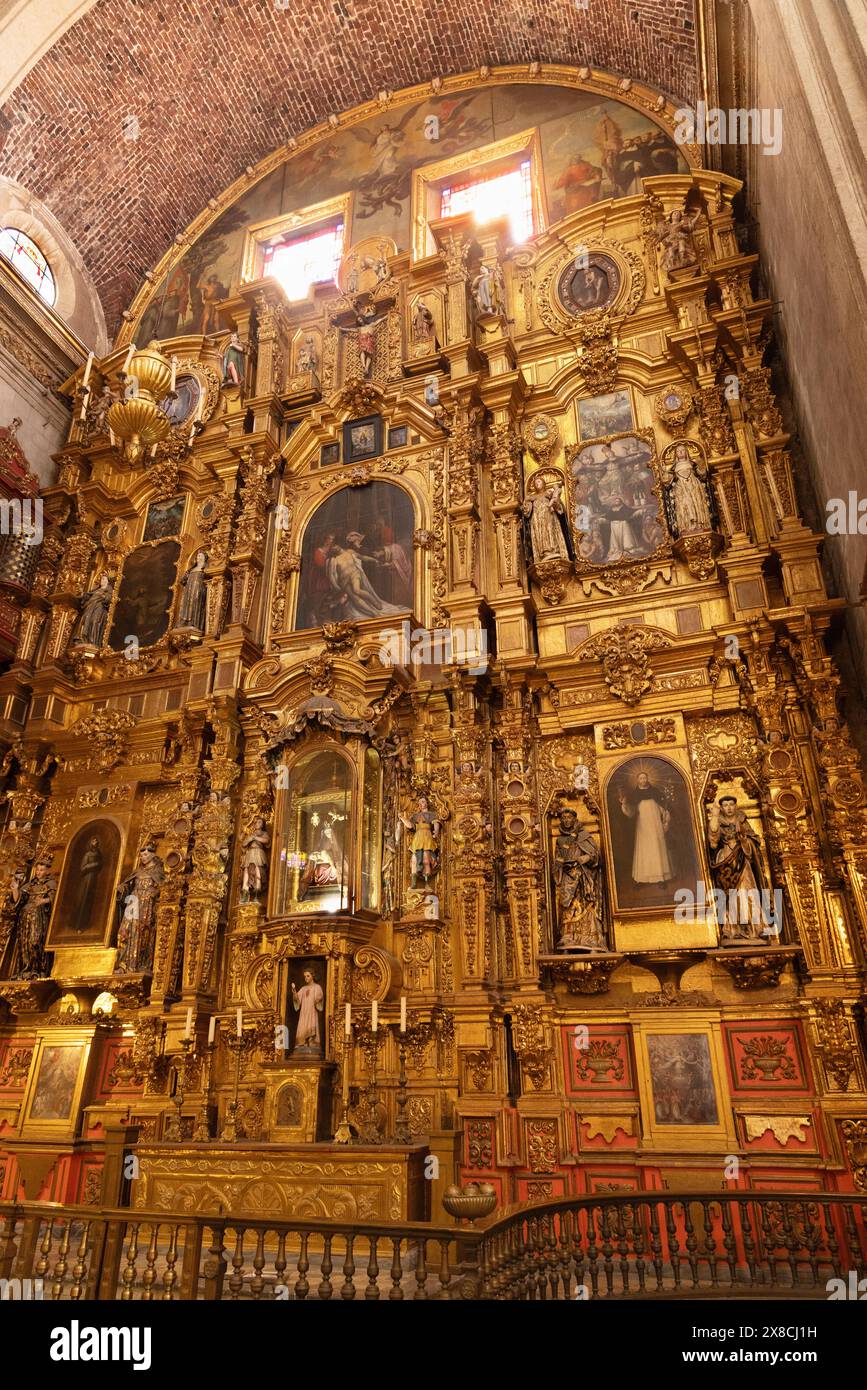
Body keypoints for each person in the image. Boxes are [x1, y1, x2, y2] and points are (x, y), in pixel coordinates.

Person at [707, 796, 774, 941]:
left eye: (731, 804)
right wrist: (715, 816)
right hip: (726, 860)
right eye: (725, 805)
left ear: (736, 806)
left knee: (749, 891)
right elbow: (713, 842)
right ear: (722, 808)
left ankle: (755, 927)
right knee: (731, 894)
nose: (729, 807)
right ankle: (733, 929)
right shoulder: (717, 822)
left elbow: (754, 840)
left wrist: (744, 838)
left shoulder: (742, 821)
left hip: (742, 860)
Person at [553, 810, 606, 951]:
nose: (566, 820)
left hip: (584, 875)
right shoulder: (560, 840)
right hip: (568, 875)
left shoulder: (584, 836)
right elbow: (558, 859)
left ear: (574, 819)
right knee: (567, 905)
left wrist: (586, 858)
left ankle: (590, 937)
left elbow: (595, 855)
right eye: (563, 818)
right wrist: (560, 865)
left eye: (569, 817)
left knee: (587, 903)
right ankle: (568, 936)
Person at [326, 533, 403, 621]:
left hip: (354, 574)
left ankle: (375, 602)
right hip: (344, 582)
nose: (333, 548)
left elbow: (363, 557)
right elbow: (331, 574)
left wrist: (374, 560)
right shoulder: (334, 560)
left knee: (357, 590)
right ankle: (372, 612)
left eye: (334, 545)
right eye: (332, 547)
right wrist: (336, 586)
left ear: (339, 545)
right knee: (355, 599)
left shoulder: (350, 552)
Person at [619, 771, 673, 887]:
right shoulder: (634, 795)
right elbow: (631, 812)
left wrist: (665, 820)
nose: (643, 780)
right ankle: (642, 879)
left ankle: (660, 878)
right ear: (637, 780)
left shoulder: (655, 792)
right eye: (641, 778)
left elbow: (663, 808)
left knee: (658, 847)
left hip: (655, 824)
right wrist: (624, 804)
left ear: (647, 779)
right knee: (644, 848)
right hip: (643, 825)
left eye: (644, 778)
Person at [115, 844, 164, 973]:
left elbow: (163, 887)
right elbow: (128, 885)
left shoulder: (158, 871)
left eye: (146, 855)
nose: (143, 857)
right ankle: (123, 964)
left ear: (153, 855)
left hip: (147, 905)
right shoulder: (138, 871)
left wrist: (156, 892)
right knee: (124, 931)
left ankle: (140, 965)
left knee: (143, 933)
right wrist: (122, 888)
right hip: (134, 902)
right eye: (141, 855)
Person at [9, 857, 56, 979]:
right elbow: (19, 900)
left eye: (41, 870)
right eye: (37, 870)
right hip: (25, 920)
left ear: (46, 871)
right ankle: (25, 969)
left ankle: (38, 969)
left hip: (39, 918)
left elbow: (54, 899)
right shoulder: (29, 885)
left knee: (35, 941)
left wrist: (43, 901)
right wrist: (15, 890)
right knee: (24, 944)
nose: (39, 872)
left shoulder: (50, 884)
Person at [665, 443, 712, 535]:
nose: (680, 452)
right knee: (685, 505)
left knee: (697, 503)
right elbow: (667, 482)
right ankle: (688, 526)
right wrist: (665, 475)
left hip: (694, 486)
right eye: (678, 451)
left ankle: (700, 524)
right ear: (676, 454)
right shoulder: (673, 468)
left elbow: (703, 475)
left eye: (682, 450)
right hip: (681, 489)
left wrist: (701, 465)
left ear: (686, 452)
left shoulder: (693, 464)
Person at [522, 474, 570, 563]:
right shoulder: (532, 497)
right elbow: (526, 512)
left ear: (543, 483)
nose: (537, 484)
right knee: (540, 534)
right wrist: (527, 503)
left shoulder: (548, 493)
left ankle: (554, 550)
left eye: (539, 481)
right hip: (537, 520)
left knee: (550, 531)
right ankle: (544, 552)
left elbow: (559, 507)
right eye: (535, 483)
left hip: (549, 516)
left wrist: (555, 503)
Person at [399, 796, 440, 887]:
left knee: (426, 860)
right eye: (419, 803)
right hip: (417, 838)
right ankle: (413, 883)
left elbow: (436, 824)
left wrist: (436, 833)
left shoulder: (432, 814)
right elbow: (410, 826)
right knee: (414, 859)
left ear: (427, 803)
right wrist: (402, 818)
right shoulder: (415, 816)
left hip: (427, 837)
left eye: (423, 802)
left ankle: (427, 884)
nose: (421, 804)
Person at [71, 836, 103, 933]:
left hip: (94, 880)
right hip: (87, 880)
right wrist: (94, 865)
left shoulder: (99, 854)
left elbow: (101, 865)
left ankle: (85, 923)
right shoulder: (87, 855)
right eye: (93, 841)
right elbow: (83, 868)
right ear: (90, 843)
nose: (95, 842)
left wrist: (98, 864)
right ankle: (78, 925)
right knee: (84, 900)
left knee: (89, 901)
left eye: (96, 841)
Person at [290, 968, 324, 1055]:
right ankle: (303, 1043)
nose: (306, 978)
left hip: (312, 1011)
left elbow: (319, 998)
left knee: (311, 1025)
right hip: (304, 1012)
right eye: (305, 976)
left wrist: (318, 998)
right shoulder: (303, 988)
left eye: (308, 976)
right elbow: (297, 1000)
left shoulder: (317, 987)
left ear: (313, 976)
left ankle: (311, 1043)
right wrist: (294, 992)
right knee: (303, 1026)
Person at [72, 574, 112, 647]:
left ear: (107, 581)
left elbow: (109, 598)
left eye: (104, 579)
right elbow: (88, 596)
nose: (101, 581)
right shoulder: (96, 590)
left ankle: (92, 641)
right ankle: (83, 639)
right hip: (90, 607)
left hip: (99, 608)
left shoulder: (108, 590)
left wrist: (103, 596)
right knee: (85, 620)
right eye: (101, 579)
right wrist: (83, 595)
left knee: (94, 622)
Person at [177, 551, 208, 631]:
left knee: (195, 604)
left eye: (201, 556)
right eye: (198, 556)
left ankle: (194, 623)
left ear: (205, 558)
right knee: (186, 605)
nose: (199, 558)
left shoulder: (206, 568)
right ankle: (184, 622)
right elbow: (182, 581)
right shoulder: (191, 569)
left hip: (199, 589)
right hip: (189, 590)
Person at [240, 818, 270, 902]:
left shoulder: (264, 833)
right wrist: (249, 839)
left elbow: (266, 840)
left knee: (258, 871)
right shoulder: (251, 834)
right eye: (256, 822)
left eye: (259, 822)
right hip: (250, 853)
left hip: (258, 853)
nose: (257, 824)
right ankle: (245, 894)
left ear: (262, 825)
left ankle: (257, 893)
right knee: (247, 871)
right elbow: (244, 843)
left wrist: (255, 838)